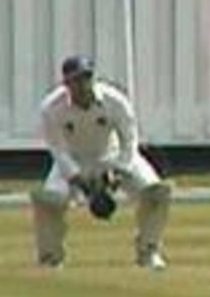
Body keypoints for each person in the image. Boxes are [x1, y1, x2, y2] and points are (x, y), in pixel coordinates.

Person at [30, 54, 171, 271]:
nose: (83, 85)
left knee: (156, 192)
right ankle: (50, 257)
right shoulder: (51, 107)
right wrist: (78, 180)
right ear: (67, 83)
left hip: (111, 156)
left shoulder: (114, 100)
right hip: (73, 159)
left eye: (87, 77)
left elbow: (130, 140)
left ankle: (149, 251)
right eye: (77, 80)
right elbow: (57, 148)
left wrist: (118, 172)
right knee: (49, 200)